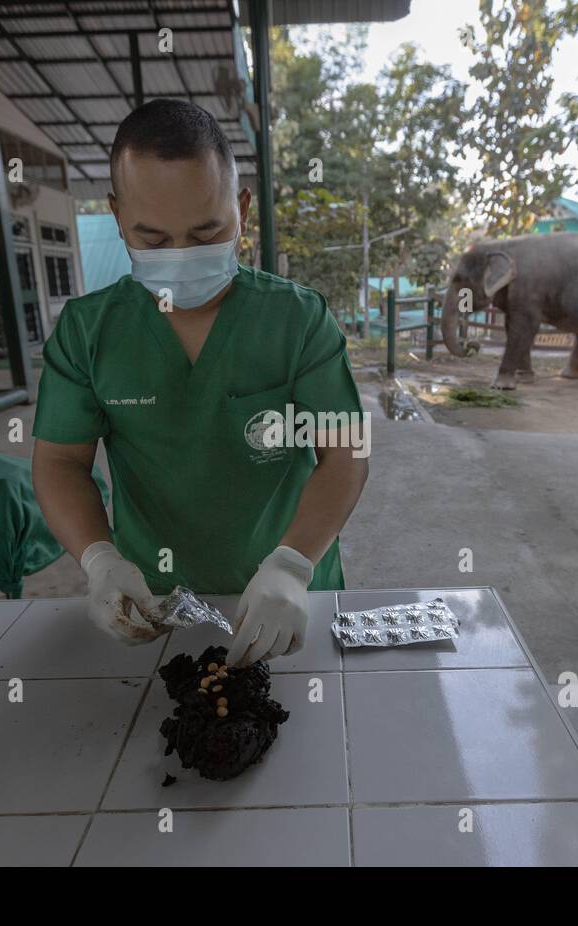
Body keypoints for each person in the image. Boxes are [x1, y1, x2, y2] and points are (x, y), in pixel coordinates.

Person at [31, 98, 369, 668]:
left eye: (206, 231)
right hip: (154, 601)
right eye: (155, 239)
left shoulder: (297, 319)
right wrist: (100, 562)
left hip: (293, 592)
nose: (182, 257)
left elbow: (345, 453)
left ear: (240, 208)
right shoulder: (88, 332)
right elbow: (61, 461)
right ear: (117, 218)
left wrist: (292, 564)